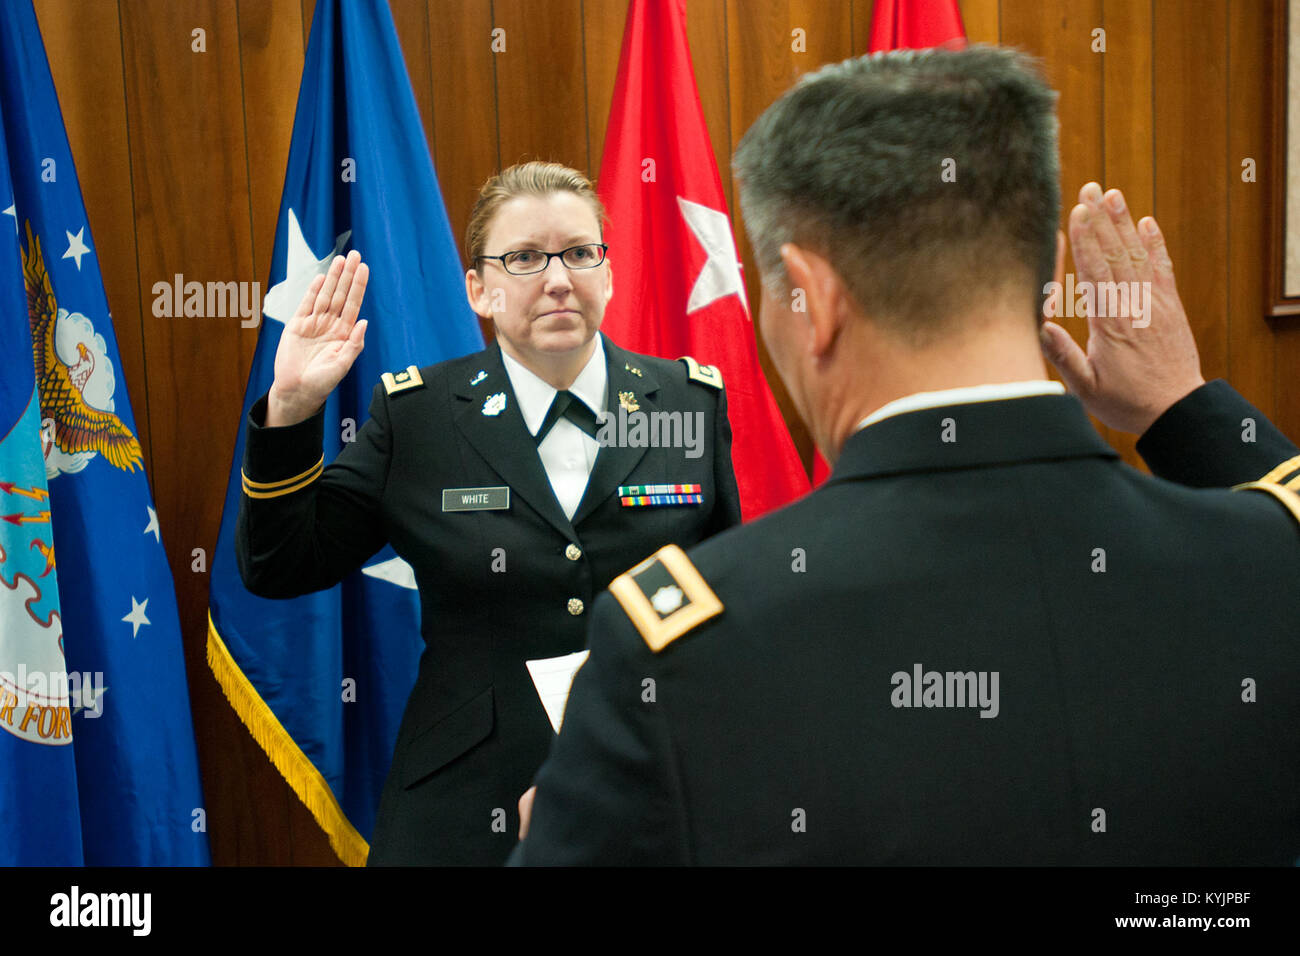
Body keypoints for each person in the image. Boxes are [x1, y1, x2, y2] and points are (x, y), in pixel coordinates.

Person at [511, 48, 1300, 865]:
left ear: (809, 298)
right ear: (1051, 271)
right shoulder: (1270, 566)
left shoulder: (677, 657)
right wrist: (1185, 412)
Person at [235, 161, 741, 865]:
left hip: (649, 780)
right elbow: (279, 566)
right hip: (465, 798)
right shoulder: (421, 418)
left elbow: (721, 601)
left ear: (609, 272)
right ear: (480, 289)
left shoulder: (686, 404)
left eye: (579, 252)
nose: (558, 278)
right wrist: (291, 410)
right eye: (526, 258)